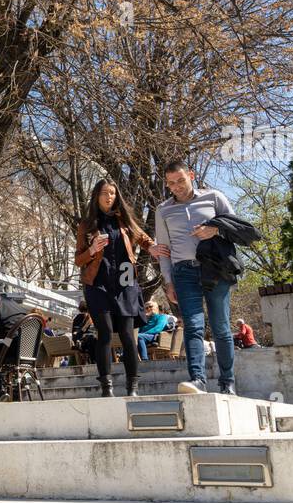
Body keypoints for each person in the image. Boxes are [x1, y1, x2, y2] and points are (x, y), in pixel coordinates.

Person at [151, 162, 238, 395]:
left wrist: (216, 230)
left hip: (214, 269)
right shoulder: (163, 210)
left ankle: (227, 382)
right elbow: (163, 250)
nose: (177, 186)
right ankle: (197, 380)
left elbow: (238, 228)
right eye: (171, 183)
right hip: (184, 272)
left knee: (221, 327)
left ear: (191, 175)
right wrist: (168, 282)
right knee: (193, 326)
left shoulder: (214, 197)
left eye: (181, 180)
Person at [73, 178, 155, 397]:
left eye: (112, 193)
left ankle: (132, 387)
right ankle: (106, 388)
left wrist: (155, 248)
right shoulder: (87, 224)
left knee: (129, 336)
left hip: (125, 282)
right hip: (97, 284)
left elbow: (143, 238)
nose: (109, 197)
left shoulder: (124, 220)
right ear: (96, 196)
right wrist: (91, 249)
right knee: (106, 333)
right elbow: (78, 260)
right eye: (104, 193)